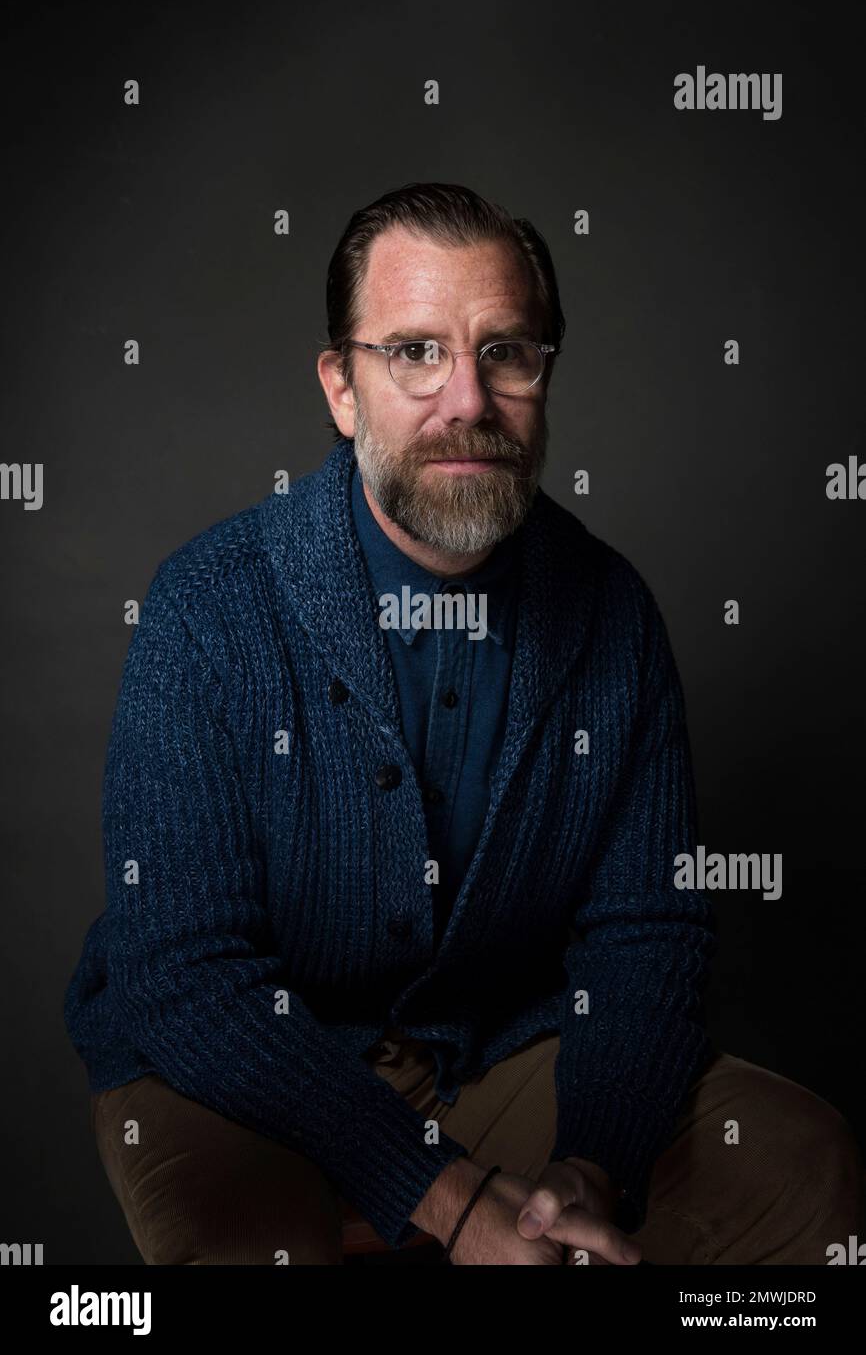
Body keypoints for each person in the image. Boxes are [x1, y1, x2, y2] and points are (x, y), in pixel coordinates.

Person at [64, 182, 863, 1265]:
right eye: (414, 352)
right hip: (240, 1058)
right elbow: (184, 973)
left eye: (506, 353)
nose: (466, 399)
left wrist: (592, 1168)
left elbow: (644, 932)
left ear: (542, 376)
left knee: (800, 1166)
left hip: (493, 1048)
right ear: (341, 389)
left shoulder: (608, 612)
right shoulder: (209, 605)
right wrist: (444, 1196)